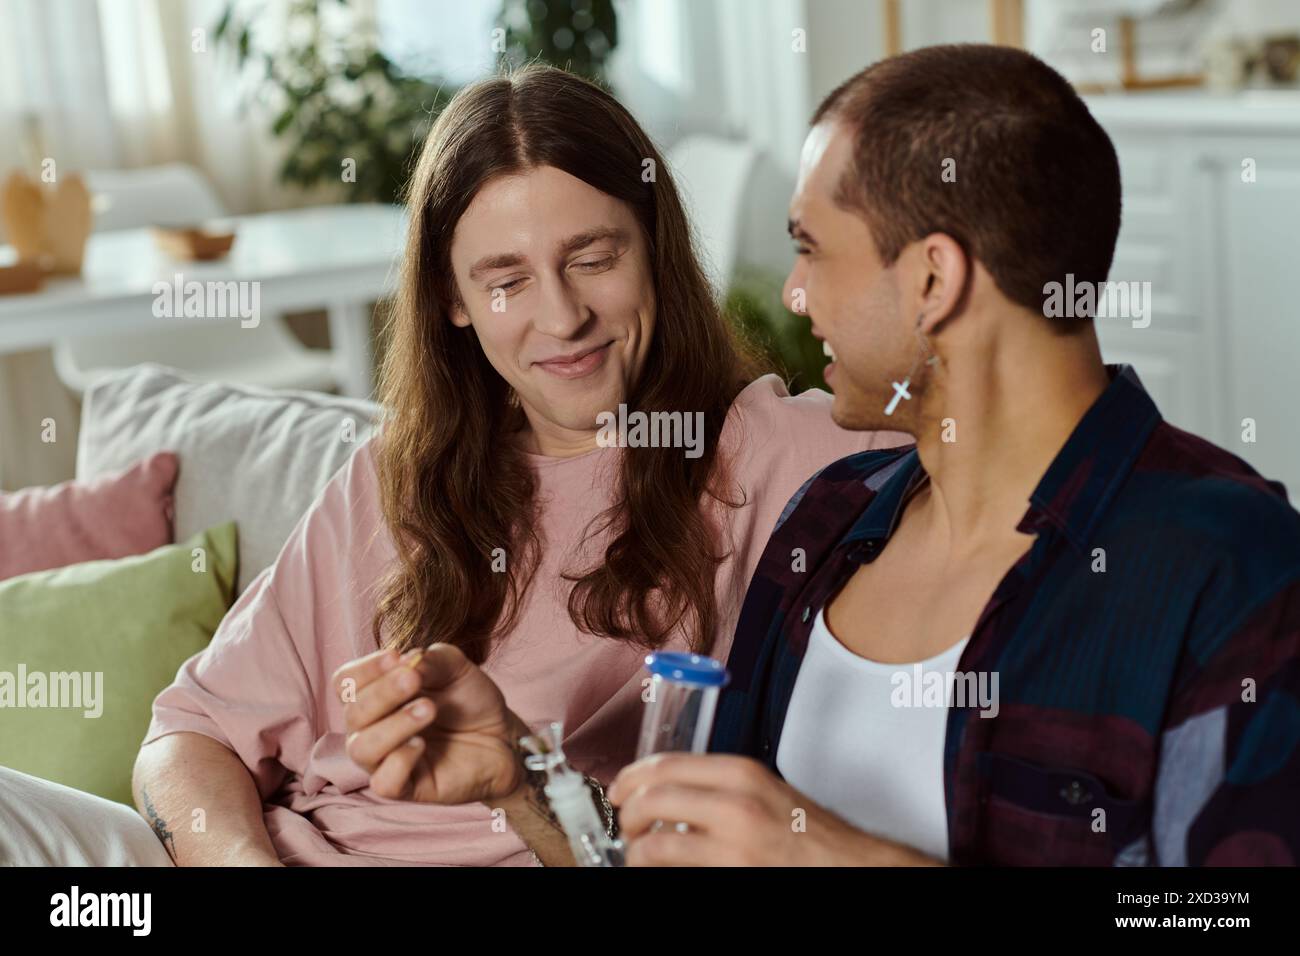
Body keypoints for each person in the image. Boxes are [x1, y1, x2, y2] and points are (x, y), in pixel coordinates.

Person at [0, 65, 908, 867]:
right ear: (454, 298)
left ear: (655, 254)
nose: (561, 318)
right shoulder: (397, 477)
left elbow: (1005, 433)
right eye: (506, 280)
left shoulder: (775, 451)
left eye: (594, 259)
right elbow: (186, 735)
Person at [606, 44, 1300, 866]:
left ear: (933, 279)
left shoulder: (1237, 572)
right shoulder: (827, 519)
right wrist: (521, 787)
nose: (796, 293)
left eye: (813, 248)